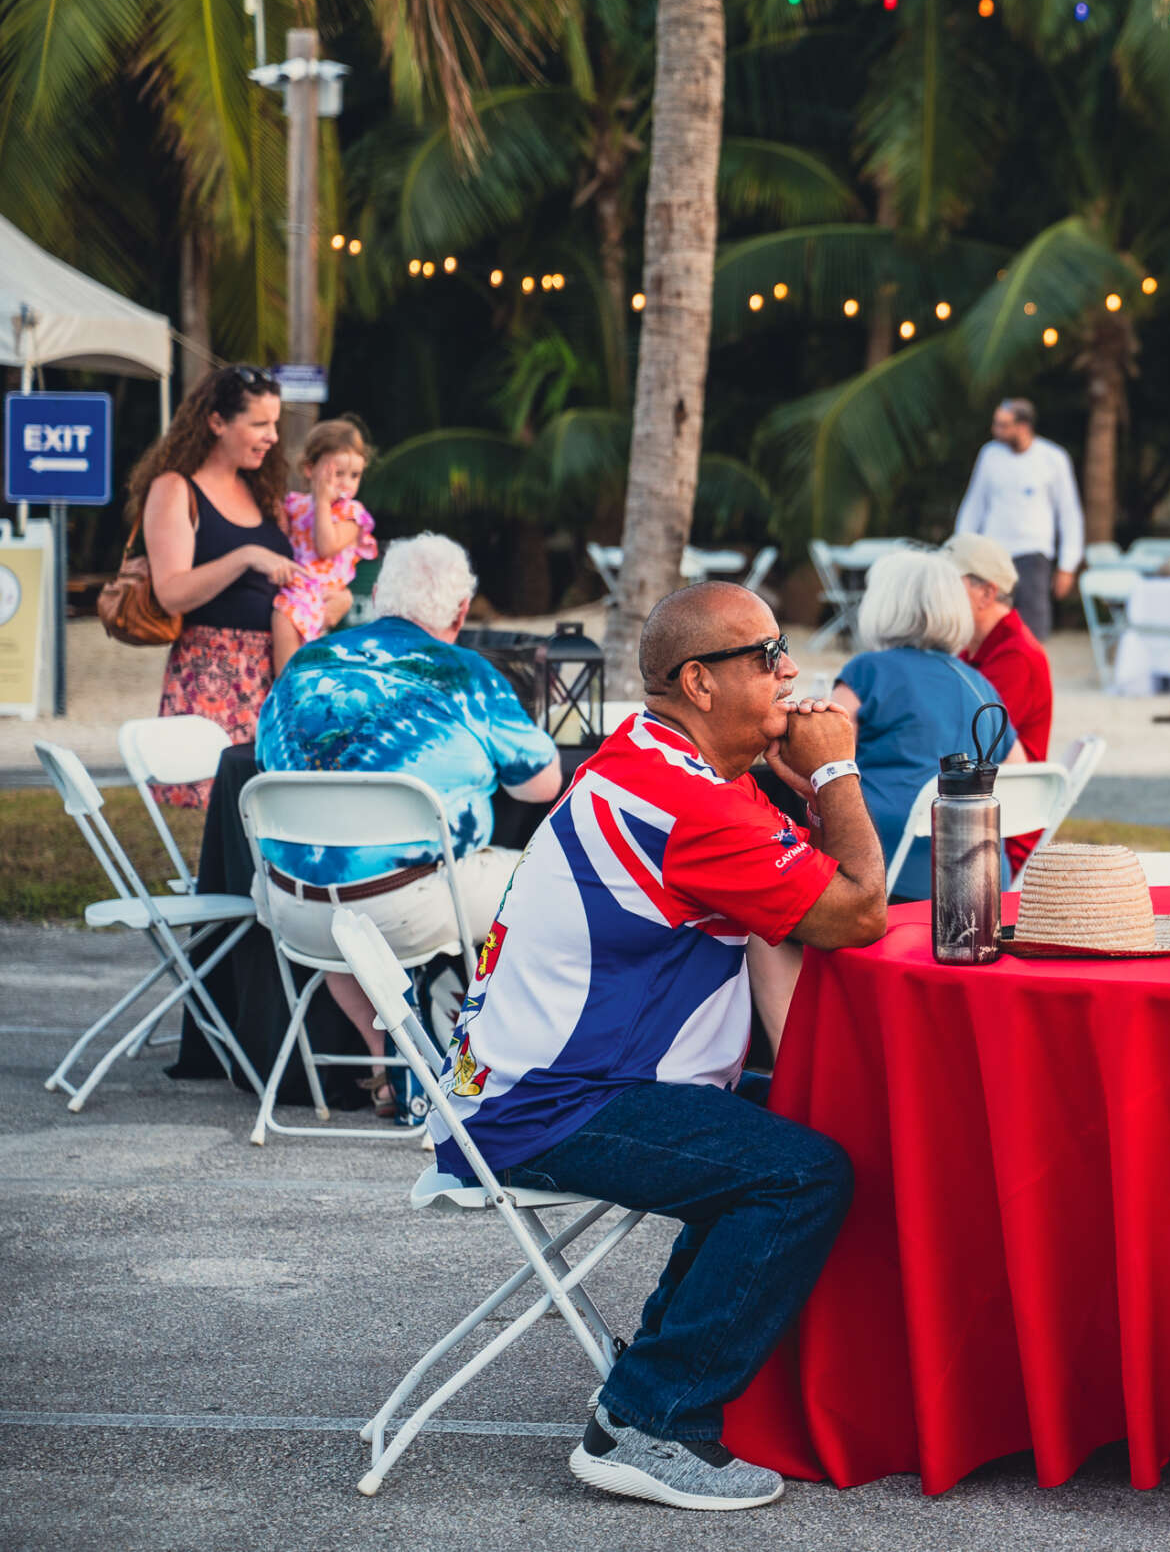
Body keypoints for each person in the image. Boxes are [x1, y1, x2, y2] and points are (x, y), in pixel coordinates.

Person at [442, 580, 888, 1511]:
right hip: (553, 1102)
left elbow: (802, 883)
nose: (790, 670)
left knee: (791, 1134)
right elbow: (856, 911)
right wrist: (838, 772)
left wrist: (801, 788)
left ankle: (652, 1387)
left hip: (544, 1080)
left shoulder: (664, 762)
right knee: (799, 1175)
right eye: (766, 655)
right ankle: (651, 1418)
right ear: (699, 681)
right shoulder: (690, 802)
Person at [255, 534, 563, 1115]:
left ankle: (388, 1063)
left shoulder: (304, 663)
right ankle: (500, 1059)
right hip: (410, 904)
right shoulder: (465, 673)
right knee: (551, 884)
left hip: (294, 907)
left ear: (378, 598)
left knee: (341, 908)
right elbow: (541, 785)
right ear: (461, 612)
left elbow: (264, 760)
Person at [130, 365, 309, 804]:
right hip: (211, 677)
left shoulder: (261, 492)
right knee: (214, 815)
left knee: (273, 812)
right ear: (216, 422)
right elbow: (171, 592)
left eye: (274, 424)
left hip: (271, 676)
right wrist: (245, 557)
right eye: (259, 424)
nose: (272, 437)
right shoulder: (175, 489)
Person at [831, 546, 1022, 901]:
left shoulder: (866, 671)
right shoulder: (978, 684)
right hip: (978, 877)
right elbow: (1019, 773)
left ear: (883, 604)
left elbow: (822, 757)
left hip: (883, 867)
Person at [948, 533, 1056, 874]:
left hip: (1002, 830)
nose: (938, 593)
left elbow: (969, 743)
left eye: (949, 583)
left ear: (986, 593)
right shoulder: (979, 648)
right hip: (982, 812)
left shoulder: (1015, 657)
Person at [953, 397, 1083, 638]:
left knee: (1030, 633)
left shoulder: (1052, 458)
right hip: (992, 554)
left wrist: (1067, 565)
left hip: (1033, 555)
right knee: (989, 628)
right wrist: (960, 549)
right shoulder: (990, 454)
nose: (996, 430)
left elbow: (1069, 514)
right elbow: (974, 505)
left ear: (1023, 426)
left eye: (1003, 425)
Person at [271, 418, 376, 670]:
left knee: (283, 617)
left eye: (354, 475)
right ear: (310, 469)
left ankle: (285, 683)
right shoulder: (295, 504)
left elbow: (326, 547)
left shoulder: (351, 513)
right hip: (295, 584)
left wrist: (322, 503)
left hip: (321, 591)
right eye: (337, 474)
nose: (346, 483)